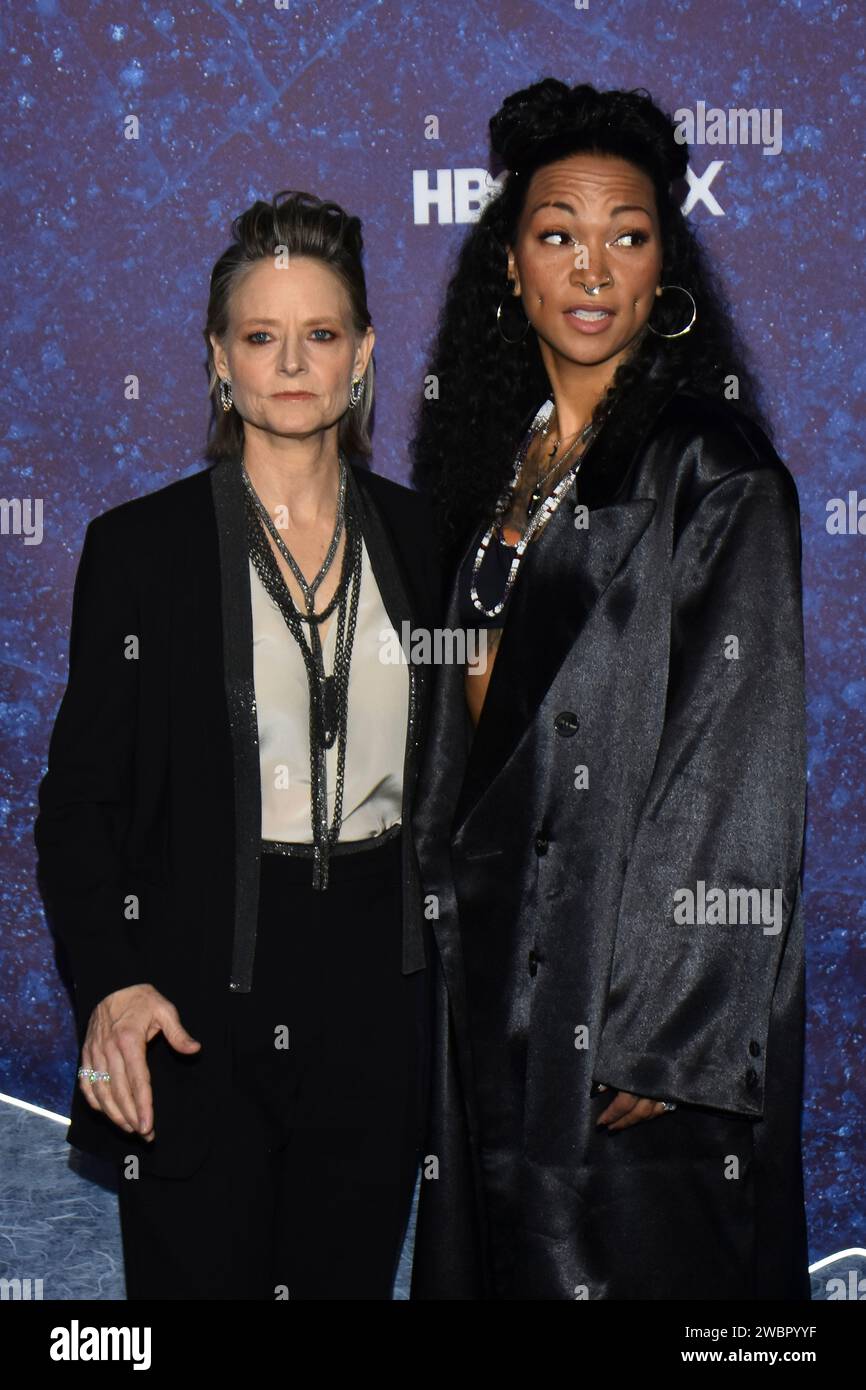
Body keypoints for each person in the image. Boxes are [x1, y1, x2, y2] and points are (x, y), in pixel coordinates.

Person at [408, 79, 810, 1300]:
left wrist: (665, 1020)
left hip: (619, 1002)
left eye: (626, 236)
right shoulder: (495, 469)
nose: (592, 269)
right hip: (493, 978)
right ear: (511, 269)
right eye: (557, 235)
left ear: (661, 268)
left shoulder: (711, 467)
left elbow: (732, 755)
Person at [34, 189, 440, 1300]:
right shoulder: (141, 550)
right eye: (261, 336)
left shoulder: (427, 541)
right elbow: (79, 806)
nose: (292, 361)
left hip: (378, 996)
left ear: (361, 354)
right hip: (197, 999)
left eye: (320, 334)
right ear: (219, 359)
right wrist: (111, 986)